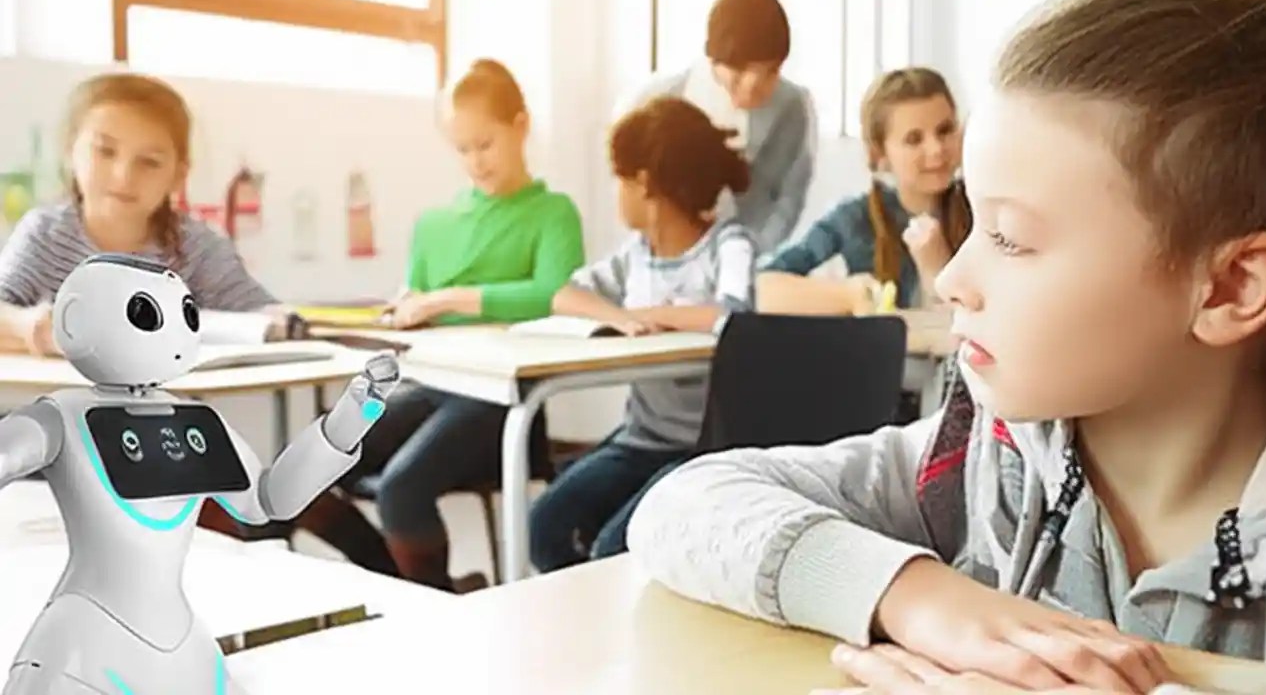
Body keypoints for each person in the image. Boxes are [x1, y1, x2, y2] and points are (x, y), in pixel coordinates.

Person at [628, 0, 1266, 694]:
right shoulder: (983, 459)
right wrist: (922, 596)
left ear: (1230, 287)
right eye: (975, 220)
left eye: (1009, 238)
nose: (951, 278)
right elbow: (685, 505)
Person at [0, 72, 398, 576]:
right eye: (105, 151)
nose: (124, 175)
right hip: (81, 436)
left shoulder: (192, 245)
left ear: (178, 173)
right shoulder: (45, 234)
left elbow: (254, 310)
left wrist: (296, 322)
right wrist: (30, 326)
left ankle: (395, 578)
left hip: (169, 427)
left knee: (285, 500)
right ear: (70, 151)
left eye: (149, 161)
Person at [352, 58, 586, 592]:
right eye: (462, 149)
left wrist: (447, 299)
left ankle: (431, 603)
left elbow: (554, 296)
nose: (475, 162)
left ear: (521, 126)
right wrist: (410, 306)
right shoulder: (434, 224)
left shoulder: (553, 213)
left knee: (400, 490)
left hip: (503, 402)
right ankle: (413, 589)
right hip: (435, 385)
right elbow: (414, 300)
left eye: (486, 144)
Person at [528, 96, 755, 572]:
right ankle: (584, 630)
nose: (617, 193)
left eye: (619, 180)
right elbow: (563, 295)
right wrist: (623, 318)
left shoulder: (728, 244)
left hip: (705, 448)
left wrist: (659, 313)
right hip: (640, 440)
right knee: (546, 523)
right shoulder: (635, 256)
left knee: (616, 547)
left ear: (644, 184)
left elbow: (734, 312)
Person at [757, 67, 969, 315]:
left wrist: (935, 268)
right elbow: (759, 287)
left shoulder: (983, 212)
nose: (936, 149)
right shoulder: (854, 220)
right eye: (914, 139)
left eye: (945, 130)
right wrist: (848, 296)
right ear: (879, 154)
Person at [629, 0, 815, 255]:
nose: (754, 85)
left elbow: (788, 199)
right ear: (713, 59)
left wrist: (753, 257)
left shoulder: (791, 107)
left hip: (750, 258)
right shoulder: (659, 99)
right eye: (739, 71)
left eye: (770, 71)